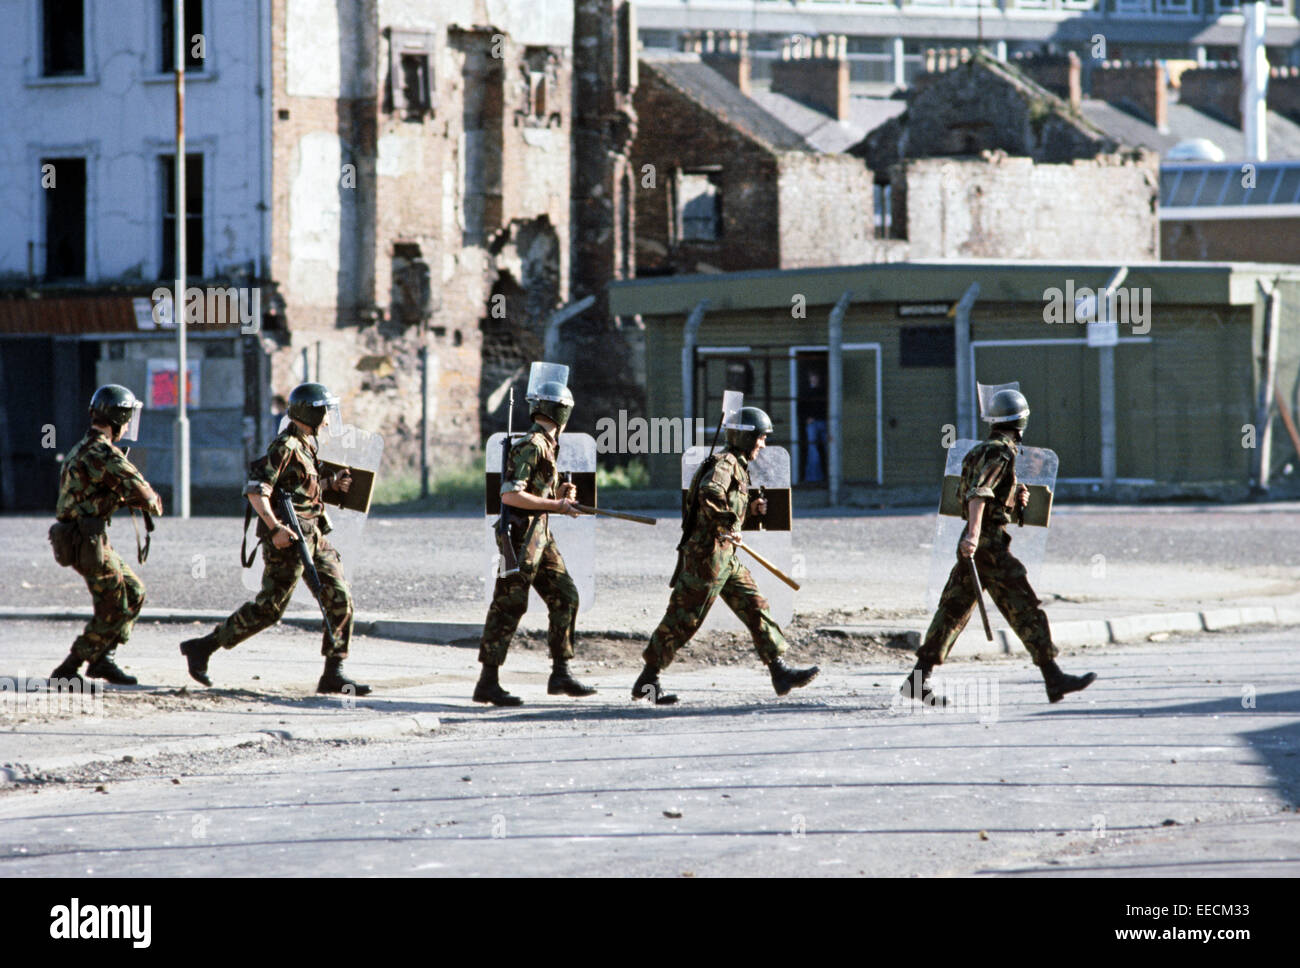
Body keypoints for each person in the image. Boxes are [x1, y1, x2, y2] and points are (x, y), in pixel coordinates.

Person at [901, 388, 1097, 705]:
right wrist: (975, 536)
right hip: (988, 545)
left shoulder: (979, 451)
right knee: (1024, 608)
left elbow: (969, 493)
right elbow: (978, 494)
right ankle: (1053, 677)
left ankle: (917, 680)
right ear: (1021, 421)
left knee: (952, 611)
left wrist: (1014, 501)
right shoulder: (1001, 452)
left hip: (978, 542)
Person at [179, 382, 369, 695]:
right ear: (310, 411)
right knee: (269, 609)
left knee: (339, 596)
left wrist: (330, 483)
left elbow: (297, 488)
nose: (328, 419)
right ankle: (203, 647)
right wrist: (275, 527)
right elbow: (256, 489)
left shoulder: (307, 444)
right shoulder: (286, 446)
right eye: (324, 412)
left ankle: (333, 673)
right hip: (289, 539)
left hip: (313, 534)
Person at [634, 406, 819, 704]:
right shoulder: (725, 464)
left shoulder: (737, 465)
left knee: (755, 605)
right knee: (683, 618)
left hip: (724, 557)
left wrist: (746, 515)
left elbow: (722, 507)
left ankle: (779, 671)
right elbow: (709, 494)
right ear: (747, 438)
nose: (763, 444)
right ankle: (648, 680)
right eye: (760, 437)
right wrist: (729, 522)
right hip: (705, 558)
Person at [474, 371, 595, 706]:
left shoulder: (546, 444)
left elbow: (534, 492)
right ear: (562, 412)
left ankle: (560, 673)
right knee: (509, 605)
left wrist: (558, 493)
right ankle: (488, 682)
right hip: (519, 536)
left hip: (540, 535)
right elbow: (511, 496)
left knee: (566, 596)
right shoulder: (532, 445)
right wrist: (557, 504)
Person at [49, 385, 163, 687]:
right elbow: (146, 496)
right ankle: (70, 666)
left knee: (133, 591)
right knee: (114, 604)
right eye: (127, 419)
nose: (128, 426)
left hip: (84, 537)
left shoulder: (82, 447)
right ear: (118, 418)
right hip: (85, 540)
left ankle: (103, 659)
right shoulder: (104, 453)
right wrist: (139, 499)